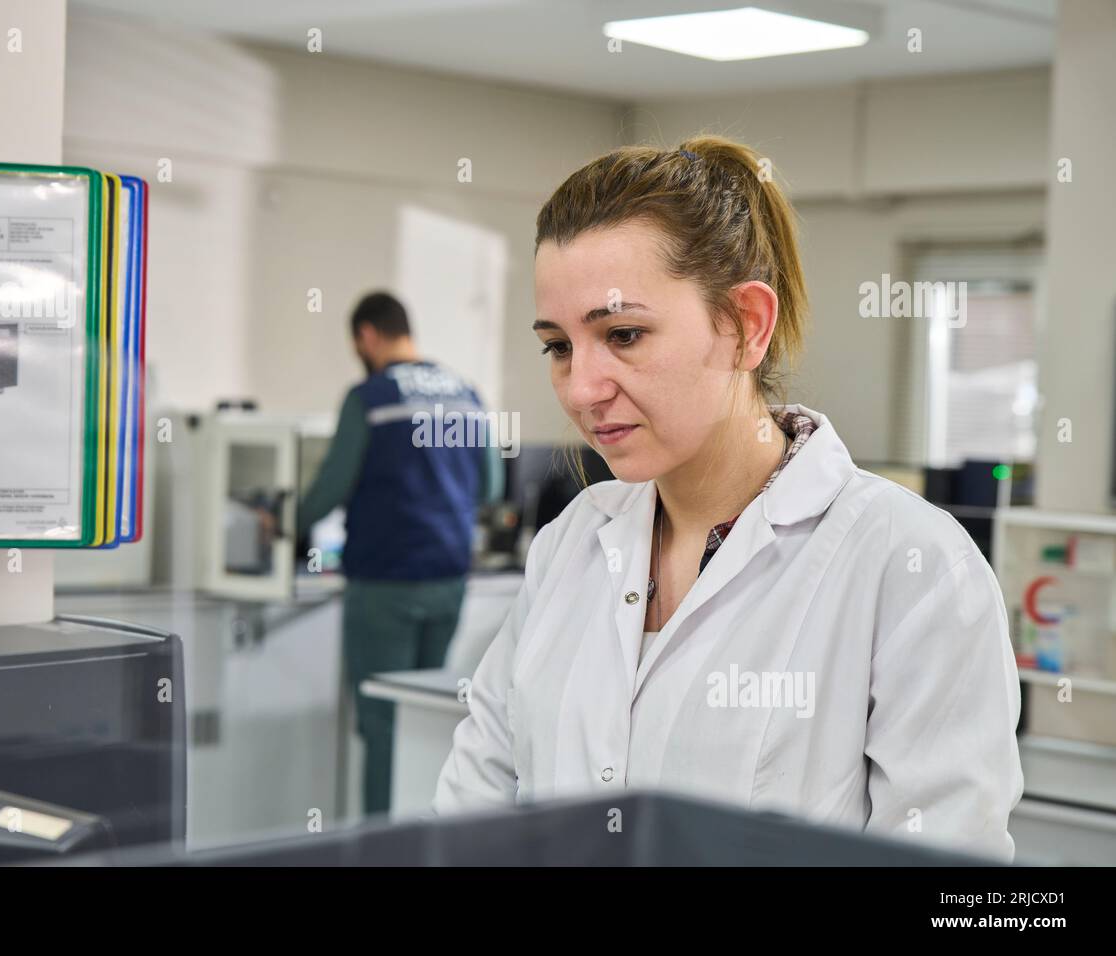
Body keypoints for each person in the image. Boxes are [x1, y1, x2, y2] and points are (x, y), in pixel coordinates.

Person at [431, 136, 1024, 862]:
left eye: (623, 334)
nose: (582, 387)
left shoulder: (912, 566)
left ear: (746, 325)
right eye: (558, 346)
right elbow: (471, 813)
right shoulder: (572, 543)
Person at [299, 291, 503, 816]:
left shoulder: (369, 397)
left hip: (384, 585)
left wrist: (284, 526)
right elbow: (492, 486)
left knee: (383, 724)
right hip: (449, 582)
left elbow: (331, 489)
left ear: (367, 335)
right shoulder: (466, 392)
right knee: (424, 724)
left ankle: (378, 848)